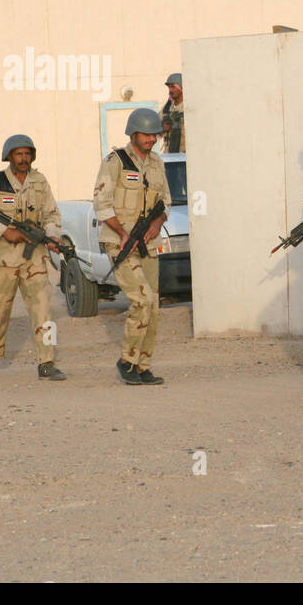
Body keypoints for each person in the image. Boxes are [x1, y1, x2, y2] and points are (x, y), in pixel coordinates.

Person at [0, 135, 67, 380]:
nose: (24, 159)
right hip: (2, 262)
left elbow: (52, 214)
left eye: (27, 154)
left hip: (34, 260)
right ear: (9, 156)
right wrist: (4, 231)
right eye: (18, 154)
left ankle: (47, 361)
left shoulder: (40, 182)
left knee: (44, 312)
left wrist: (52, 237)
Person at [93, 107, 173, 385]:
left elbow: (167, 202)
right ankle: (126, 360)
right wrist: (122, 232)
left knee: (153, 306)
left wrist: (158, 222)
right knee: (142, 299)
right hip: (120, 243)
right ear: (133, 133)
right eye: (147, 134)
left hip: (148, 243)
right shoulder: (115, 161)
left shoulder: (157, 164)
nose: (152, 139)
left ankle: (142, 365)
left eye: (155, 135)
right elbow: (101, 205)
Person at [160, 73, 184, 153]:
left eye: (173, 87)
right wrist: (163, 127)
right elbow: (155, 128)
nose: (170, 90)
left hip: (185, 154)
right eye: (169, 87)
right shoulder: (167, 109)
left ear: (182, 88)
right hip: (169, 154)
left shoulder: (188, 109)